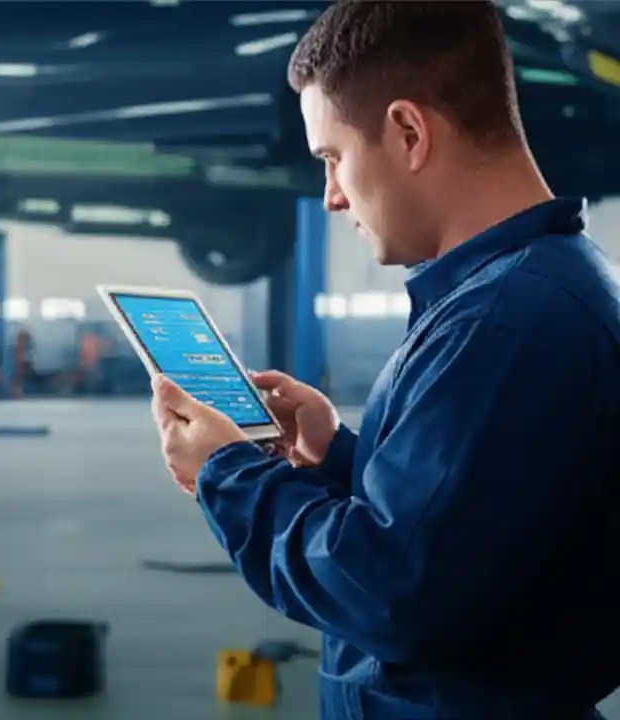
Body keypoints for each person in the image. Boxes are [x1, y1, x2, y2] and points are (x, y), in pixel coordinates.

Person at [151, 2, 620, 718]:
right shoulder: (531, 289)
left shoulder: (503, 322)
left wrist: (228, 474)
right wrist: (340, 456)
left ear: (407, 131)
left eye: (332, 158)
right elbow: (477, 527)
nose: (333, 196)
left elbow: (387, 591)